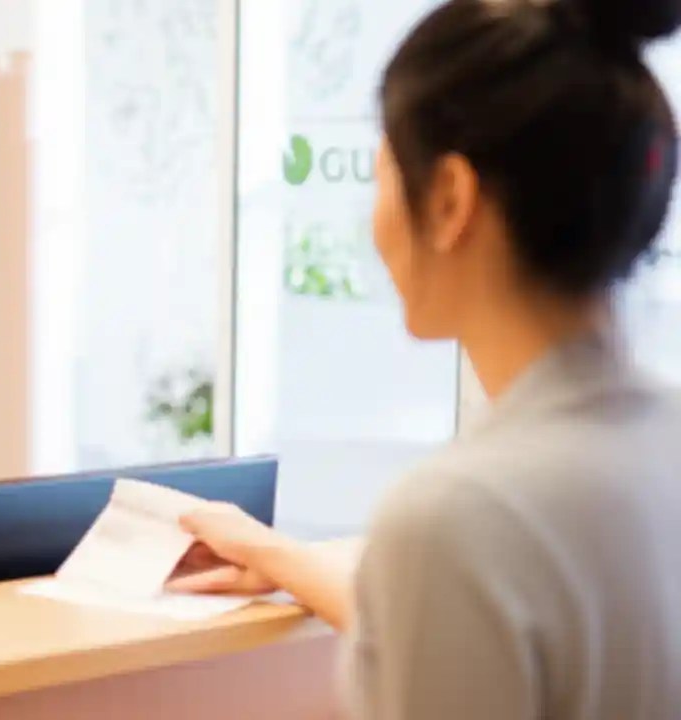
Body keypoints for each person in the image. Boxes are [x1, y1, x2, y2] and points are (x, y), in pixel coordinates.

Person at [170, 0, 681, 716]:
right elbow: (505, 636)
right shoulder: (653, 446)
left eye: (382, 177)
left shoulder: (462, 515)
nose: (375, 224)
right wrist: (281, 557)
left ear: (448, 199)